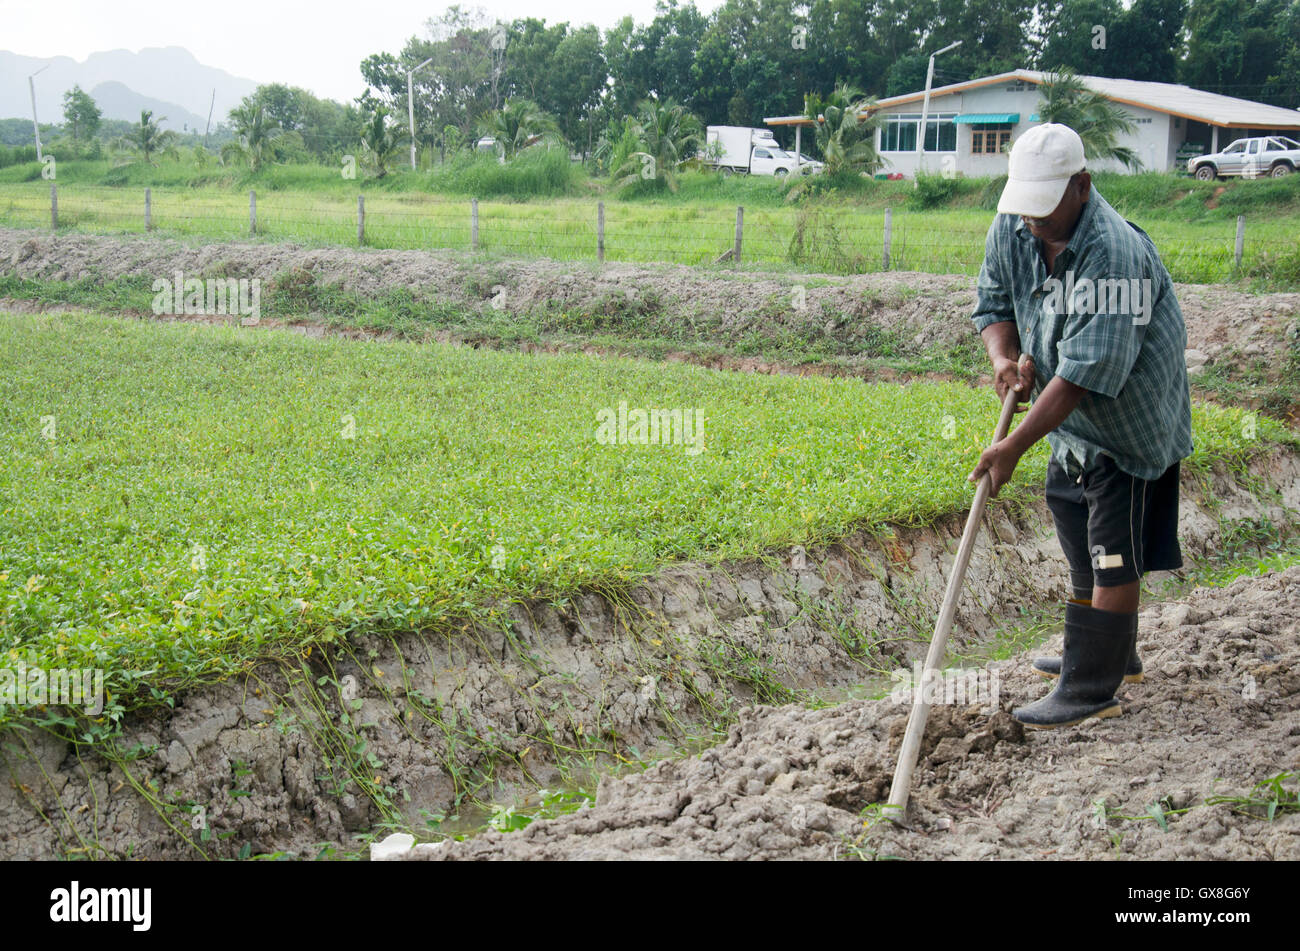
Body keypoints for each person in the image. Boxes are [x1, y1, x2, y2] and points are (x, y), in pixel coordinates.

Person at [966, 123, 1193, 729]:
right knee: (1072, 512)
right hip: (1070, 424)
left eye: (1044, 209)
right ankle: (1109, 648)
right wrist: (1004, 359)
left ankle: (1092, 686)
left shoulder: (1116, 256)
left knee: (1113, 547)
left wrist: (1012, 445)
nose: (1032, 222)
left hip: (1128, 420)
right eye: (1025, 208)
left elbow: (1087, 374)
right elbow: (993, 305)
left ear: (1082, 187)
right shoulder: (1017, 220)